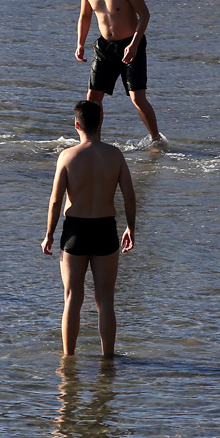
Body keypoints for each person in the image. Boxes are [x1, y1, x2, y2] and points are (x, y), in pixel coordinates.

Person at [42, 100, 136, 357]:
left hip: (75, 230)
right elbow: (129, 196)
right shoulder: (115, 155)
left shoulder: (67, 156)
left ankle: (68, 358)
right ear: (100, 123)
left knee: (72, 298)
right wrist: (130, 227)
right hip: (105, 228)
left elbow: (55, 200)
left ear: (77, 125)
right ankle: (108, 359)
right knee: (105, 300)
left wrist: (49, 234)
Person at [76, 0, 161, 143]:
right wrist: (80, 44)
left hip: (131, 45)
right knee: (93, 99)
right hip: (104, 47)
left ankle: (156, 140)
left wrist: (134, 45)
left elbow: (145, 15)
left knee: (137, 99)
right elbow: (85, 17)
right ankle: (94, 141)